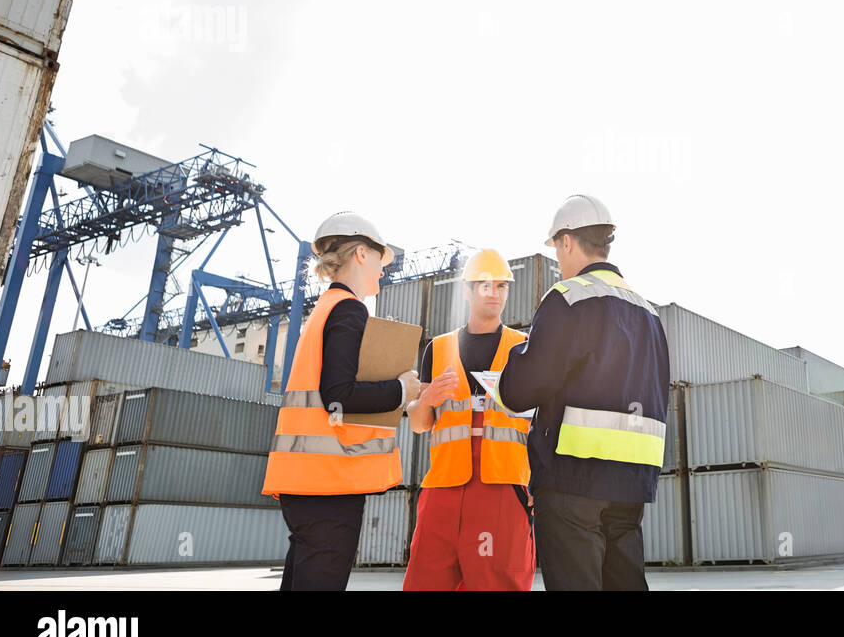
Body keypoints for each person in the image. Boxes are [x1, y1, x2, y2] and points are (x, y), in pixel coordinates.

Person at [494, 195, 669, 590]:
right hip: (632, 484)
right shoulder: (649, 312)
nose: (558, 257)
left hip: (572, 478)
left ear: (567, 241)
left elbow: (522, 389)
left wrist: (509, 373)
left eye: (557, 247)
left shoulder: (568, 297)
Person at [262, 212, 423, 591]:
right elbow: (339, 395)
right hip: (328, 484)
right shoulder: (349, 309)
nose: (384, 271)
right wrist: (402, 389)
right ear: (362, 255)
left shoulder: (324, 309)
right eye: (381, 260)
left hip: (306, 482)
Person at [402, 249, 535, 590]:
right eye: (485, 285)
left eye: (502, 286)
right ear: (467, 291)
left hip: (503, 485)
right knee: (426, 581)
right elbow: (419, 424)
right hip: (444, 486)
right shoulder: (438, 348)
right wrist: (427, 399)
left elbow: (542, 424)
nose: (494, 293)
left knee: (499, 582)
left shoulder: (525, 350)